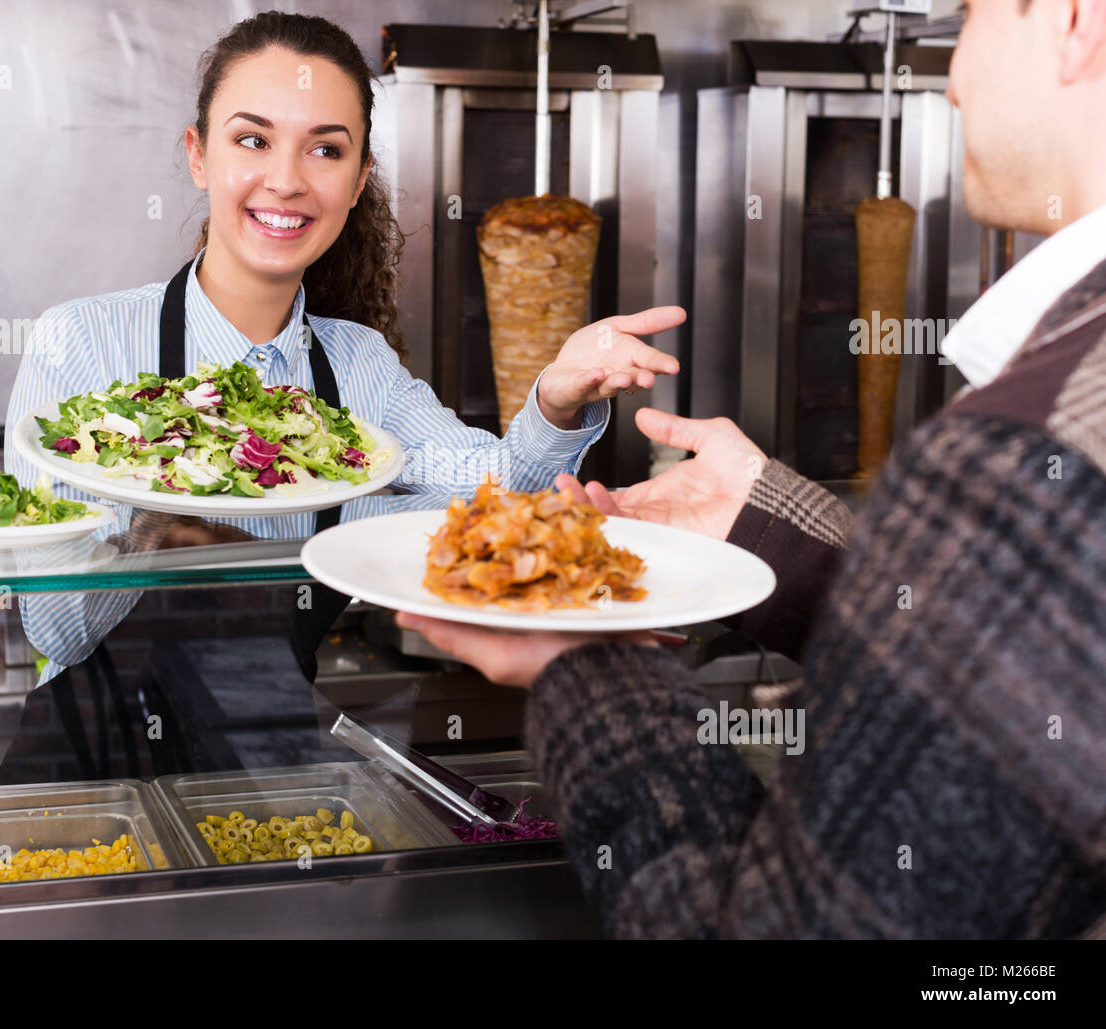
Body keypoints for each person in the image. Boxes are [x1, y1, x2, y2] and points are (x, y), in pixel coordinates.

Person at [398, 0, 1106, 938]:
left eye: (969, 15)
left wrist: (584, 663)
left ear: (1073, 18)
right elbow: (1024, 678)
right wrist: (774, 528)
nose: (954, 78)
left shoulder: (1029, 448)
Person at [1, 12, 682, 695]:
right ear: (199, 155)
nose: (287, 181)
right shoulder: (82, 342)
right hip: (93, 773)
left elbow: (494, 498)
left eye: (325, 150)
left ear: (357, 183)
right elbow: (52, 628)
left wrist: (556, 402)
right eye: (252, 139)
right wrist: (151, 534)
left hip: (275, 767)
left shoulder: (360, 369)